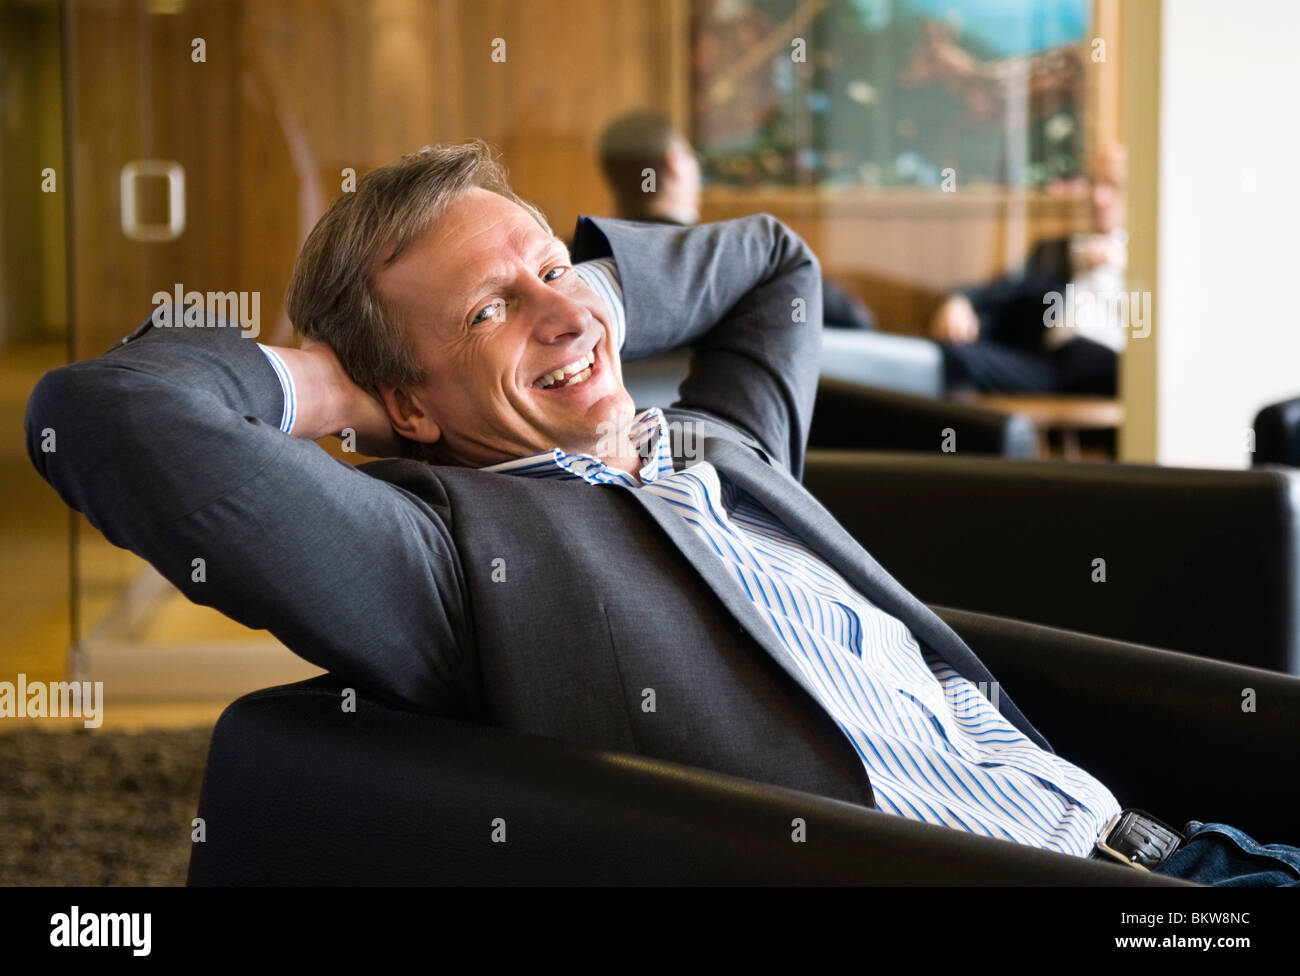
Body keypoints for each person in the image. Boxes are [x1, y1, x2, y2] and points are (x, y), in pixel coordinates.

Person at [26, 142, 1299, 886]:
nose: (561, 315)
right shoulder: (454, 553)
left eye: (549, 270)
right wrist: (326, 383)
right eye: (487, 311)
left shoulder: (720, 448)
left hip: (1185, 846)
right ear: (408, 402)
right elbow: (101, 421)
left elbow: (771, 267)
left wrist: (575, 289)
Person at [598, 109, 879, 332]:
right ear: (674, 164)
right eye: (691, 156)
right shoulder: (733, 255)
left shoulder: (573, 263)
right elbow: (853, 319)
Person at [931, 144, 1130, 395]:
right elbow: (1002, 290)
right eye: (1094, 183)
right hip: (1051, 367)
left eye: (1112, 185)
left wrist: (1126, 269)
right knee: (953, 357)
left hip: (1116, 369)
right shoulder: (1057, 252)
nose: (1098, 197)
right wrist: (959, 301)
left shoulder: (1154, 264)